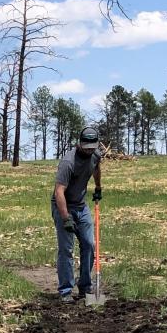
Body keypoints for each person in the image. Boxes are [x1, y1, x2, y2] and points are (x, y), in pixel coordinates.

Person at [52, 125, 103, 302]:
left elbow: (96, 168)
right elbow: (59, 192)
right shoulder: (68, 162)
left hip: (81, 206)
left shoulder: (96, 154)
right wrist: (65, 218)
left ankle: (86, 287)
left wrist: (97, 187)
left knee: (89, 244)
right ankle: (66, 290)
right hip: (63, 205)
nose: (89, 152)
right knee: (66, 249)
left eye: (92, 148)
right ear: (79, 144)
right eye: (86, 148)